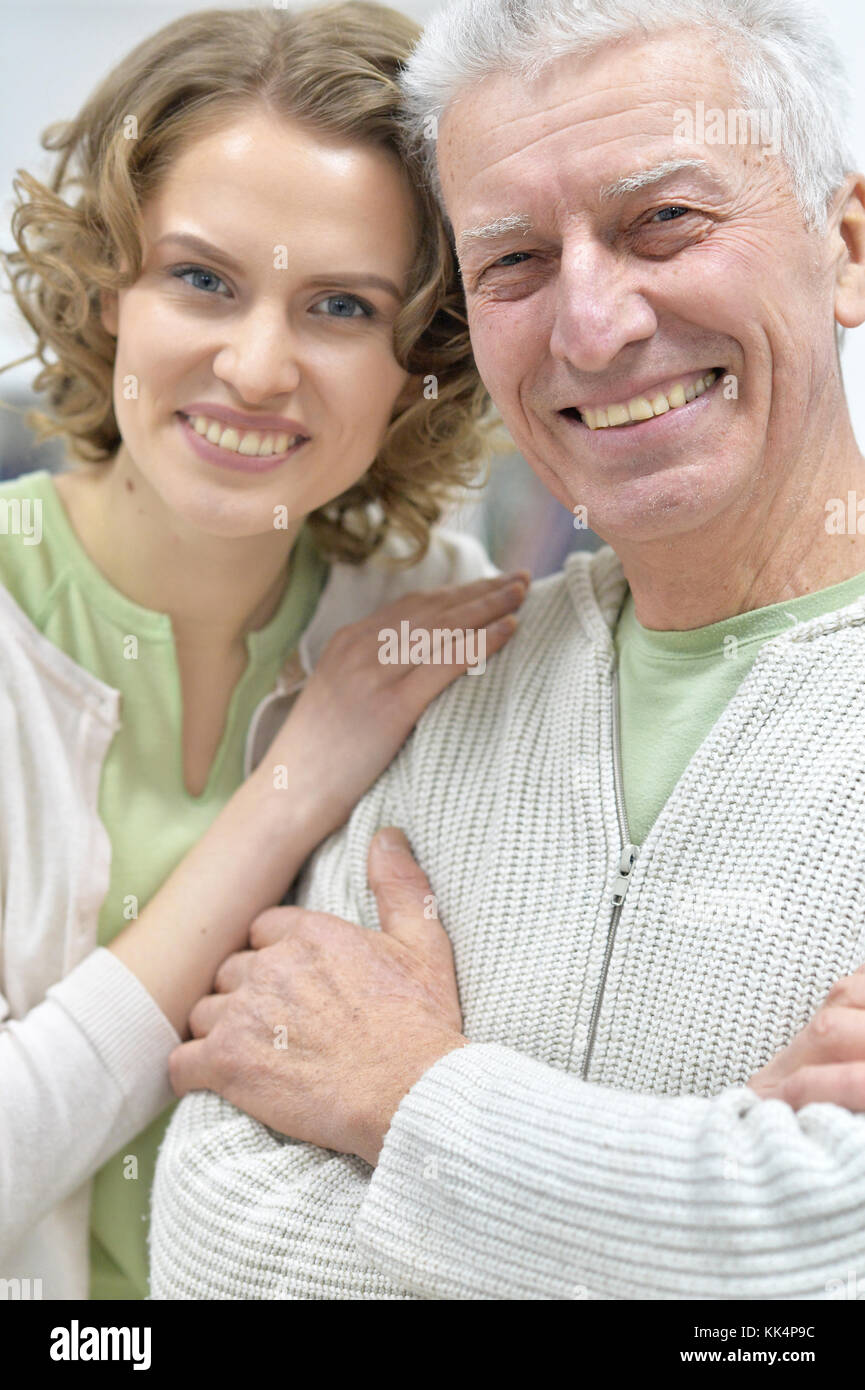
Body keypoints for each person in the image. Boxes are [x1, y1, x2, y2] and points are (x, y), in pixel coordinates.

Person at [152, 0, 865, 1300]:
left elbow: (833, 1256)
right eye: (515, 263)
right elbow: (212, 1243)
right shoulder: (435, 688)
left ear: (847, 244)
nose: (591, 329)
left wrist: (405, 1094)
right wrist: (701, 1199)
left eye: (664, 222)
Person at [0, 2, 529, 1301]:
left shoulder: (443, 628)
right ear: (105, 285)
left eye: (339, 305)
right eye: (201, 278)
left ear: (422, 357)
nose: (255, 365)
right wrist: (291, 788)